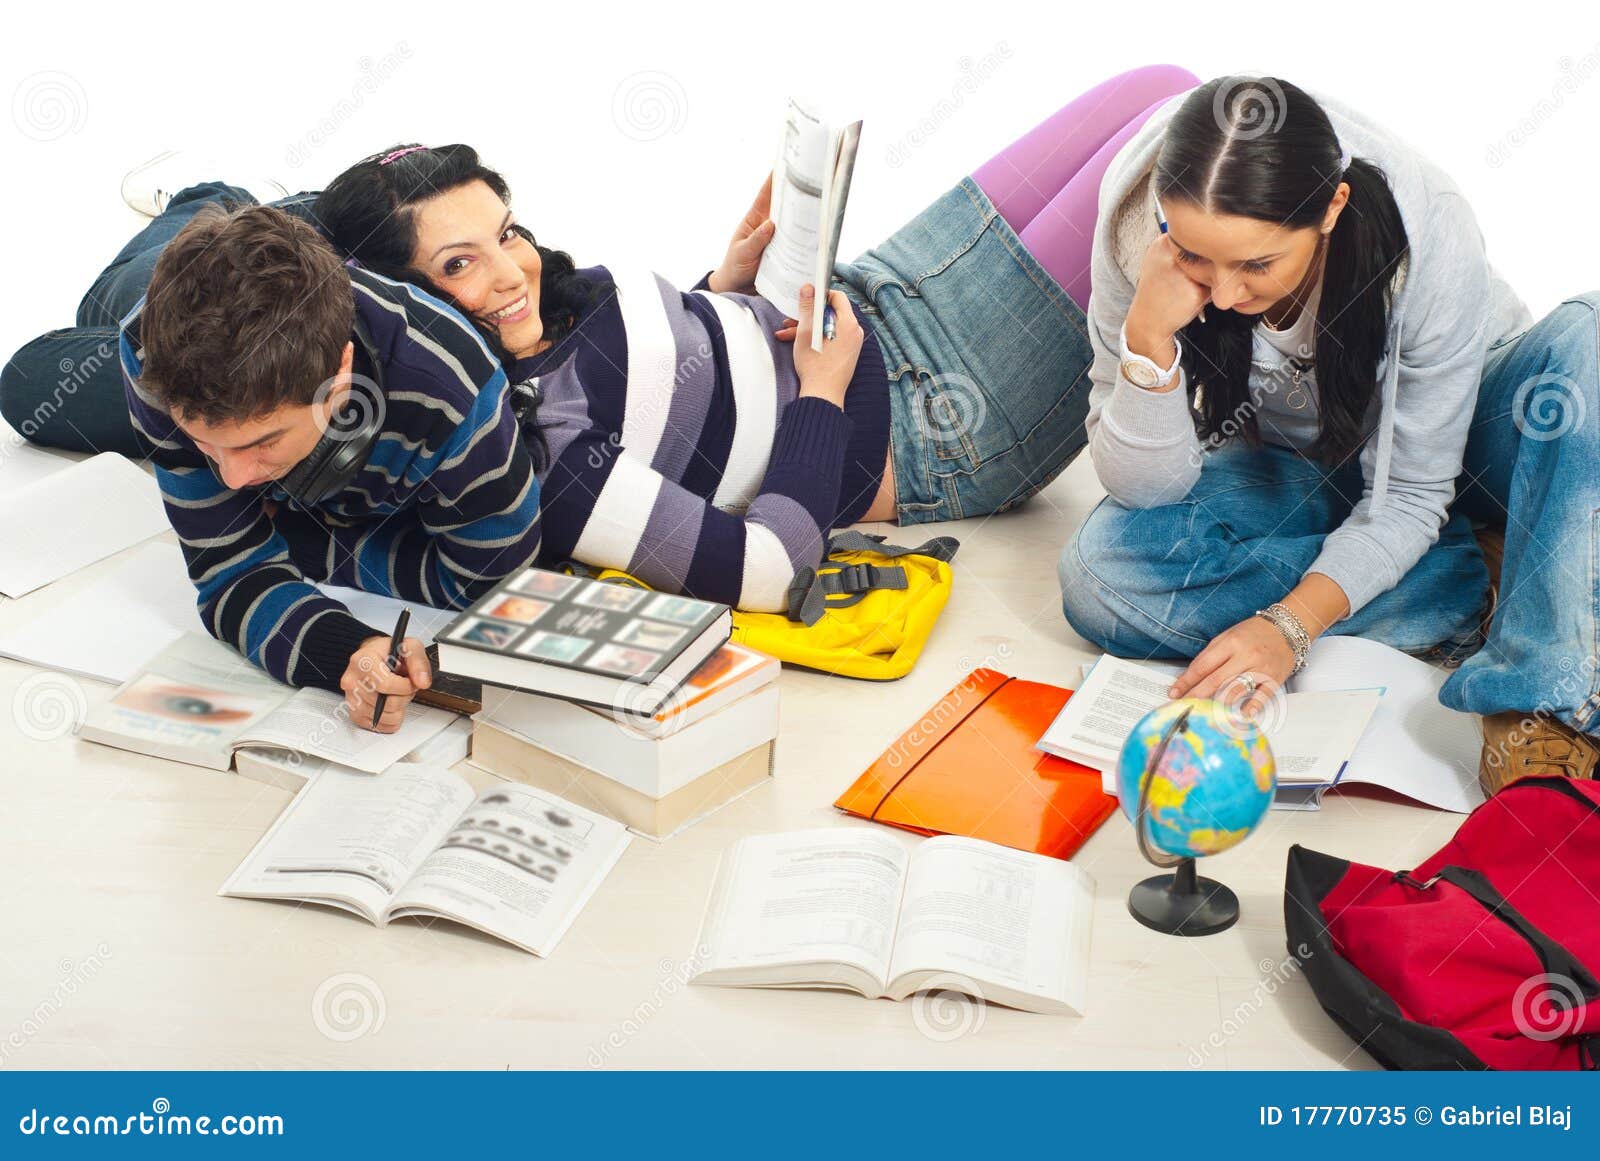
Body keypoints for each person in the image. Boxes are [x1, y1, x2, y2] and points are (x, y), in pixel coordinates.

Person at [1057, 74, 1600, 791]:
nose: (1222, 297)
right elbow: (1143, 486)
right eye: (1194, 256)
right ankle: (1476, 578)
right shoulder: (1134, 214)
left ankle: (1544, 694)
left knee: (1591, 336)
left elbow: (1409, 491)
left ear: (1332, 208)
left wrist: (1289, 626)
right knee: (1099, 574)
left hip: (1473, 436)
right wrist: (1149, 337)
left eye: (1257, 264)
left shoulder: (1425, 223)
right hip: (1322, 464)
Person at [0, 178, 545, 731]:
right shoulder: (147, 350)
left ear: (340, 380)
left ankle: (225, 206)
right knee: (31, 379)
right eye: (202, 441)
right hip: (182, 284)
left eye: (262, 442)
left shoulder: (454, 387)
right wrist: (343, 649)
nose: (233, 479)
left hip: (305, 260)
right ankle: (206, 206)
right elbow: (229, 576)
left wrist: (295, 544)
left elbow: (489, 582)